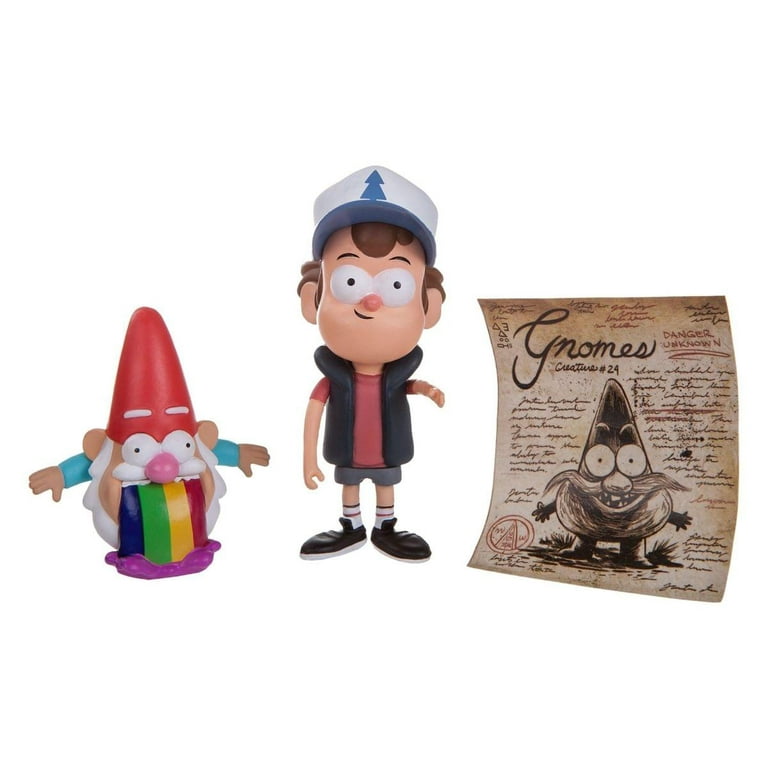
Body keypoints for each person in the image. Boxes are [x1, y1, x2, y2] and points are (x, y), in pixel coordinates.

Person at [297, 166, 445, 562]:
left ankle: (385, 526)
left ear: (430, 307)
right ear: (312, 299)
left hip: (386, 451)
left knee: (385, 485)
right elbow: (314, 412)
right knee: (349, 485)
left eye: (396, 286)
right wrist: (309, 460)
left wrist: (425, 388)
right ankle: (351, 527)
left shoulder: (397, 375)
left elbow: (409, 387)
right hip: (346, 451)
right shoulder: (331, 379)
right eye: (350, 282)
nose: (371, 301)